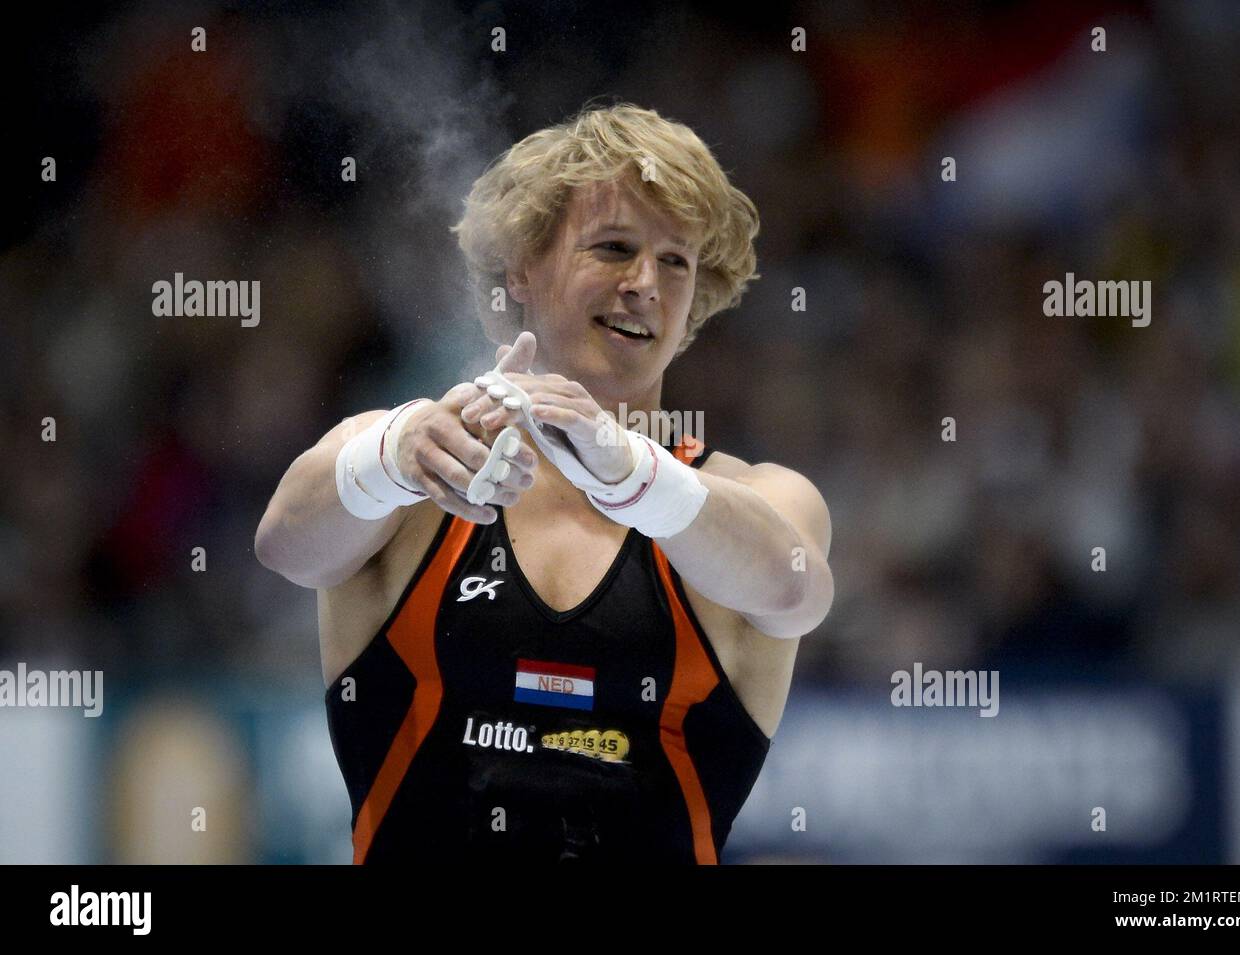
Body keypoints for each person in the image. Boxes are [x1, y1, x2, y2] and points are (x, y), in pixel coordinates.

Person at [255, 103, 834, 863]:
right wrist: (396, 456)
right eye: (615, 247)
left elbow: (797, 590)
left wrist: (637, 477)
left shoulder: (755, 497)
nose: (644, 285)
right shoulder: (416, 468)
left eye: (675, 262)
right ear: (523, 268)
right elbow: (285, 544)